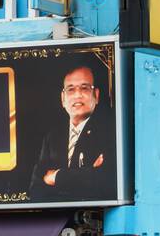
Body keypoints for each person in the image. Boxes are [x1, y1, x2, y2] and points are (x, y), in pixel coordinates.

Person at [28, 65, 117, 201]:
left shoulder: (110, 131)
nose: (77, 95)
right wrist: (85, 174)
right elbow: (36, 190)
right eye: (71, 89)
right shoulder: (52, 138)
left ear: (96, 95)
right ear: (63, 98)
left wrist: (55, 177)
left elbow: (103, 182)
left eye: (84, 88)